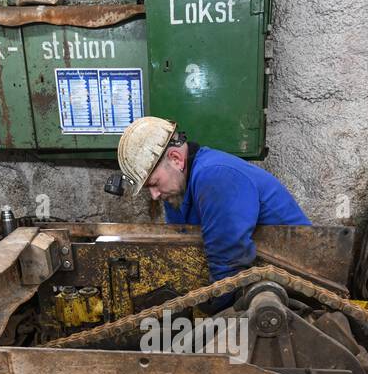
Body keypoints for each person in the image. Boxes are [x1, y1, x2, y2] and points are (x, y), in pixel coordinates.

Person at [116, 117, 310, 290]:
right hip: (255, 279)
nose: (154, 195)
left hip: (300, 278)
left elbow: (229, 260)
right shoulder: (176, 190)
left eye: (155, 184)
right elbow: (181, 249)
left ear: (176, 159)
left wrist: (210, 311)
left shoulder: (215, 176)